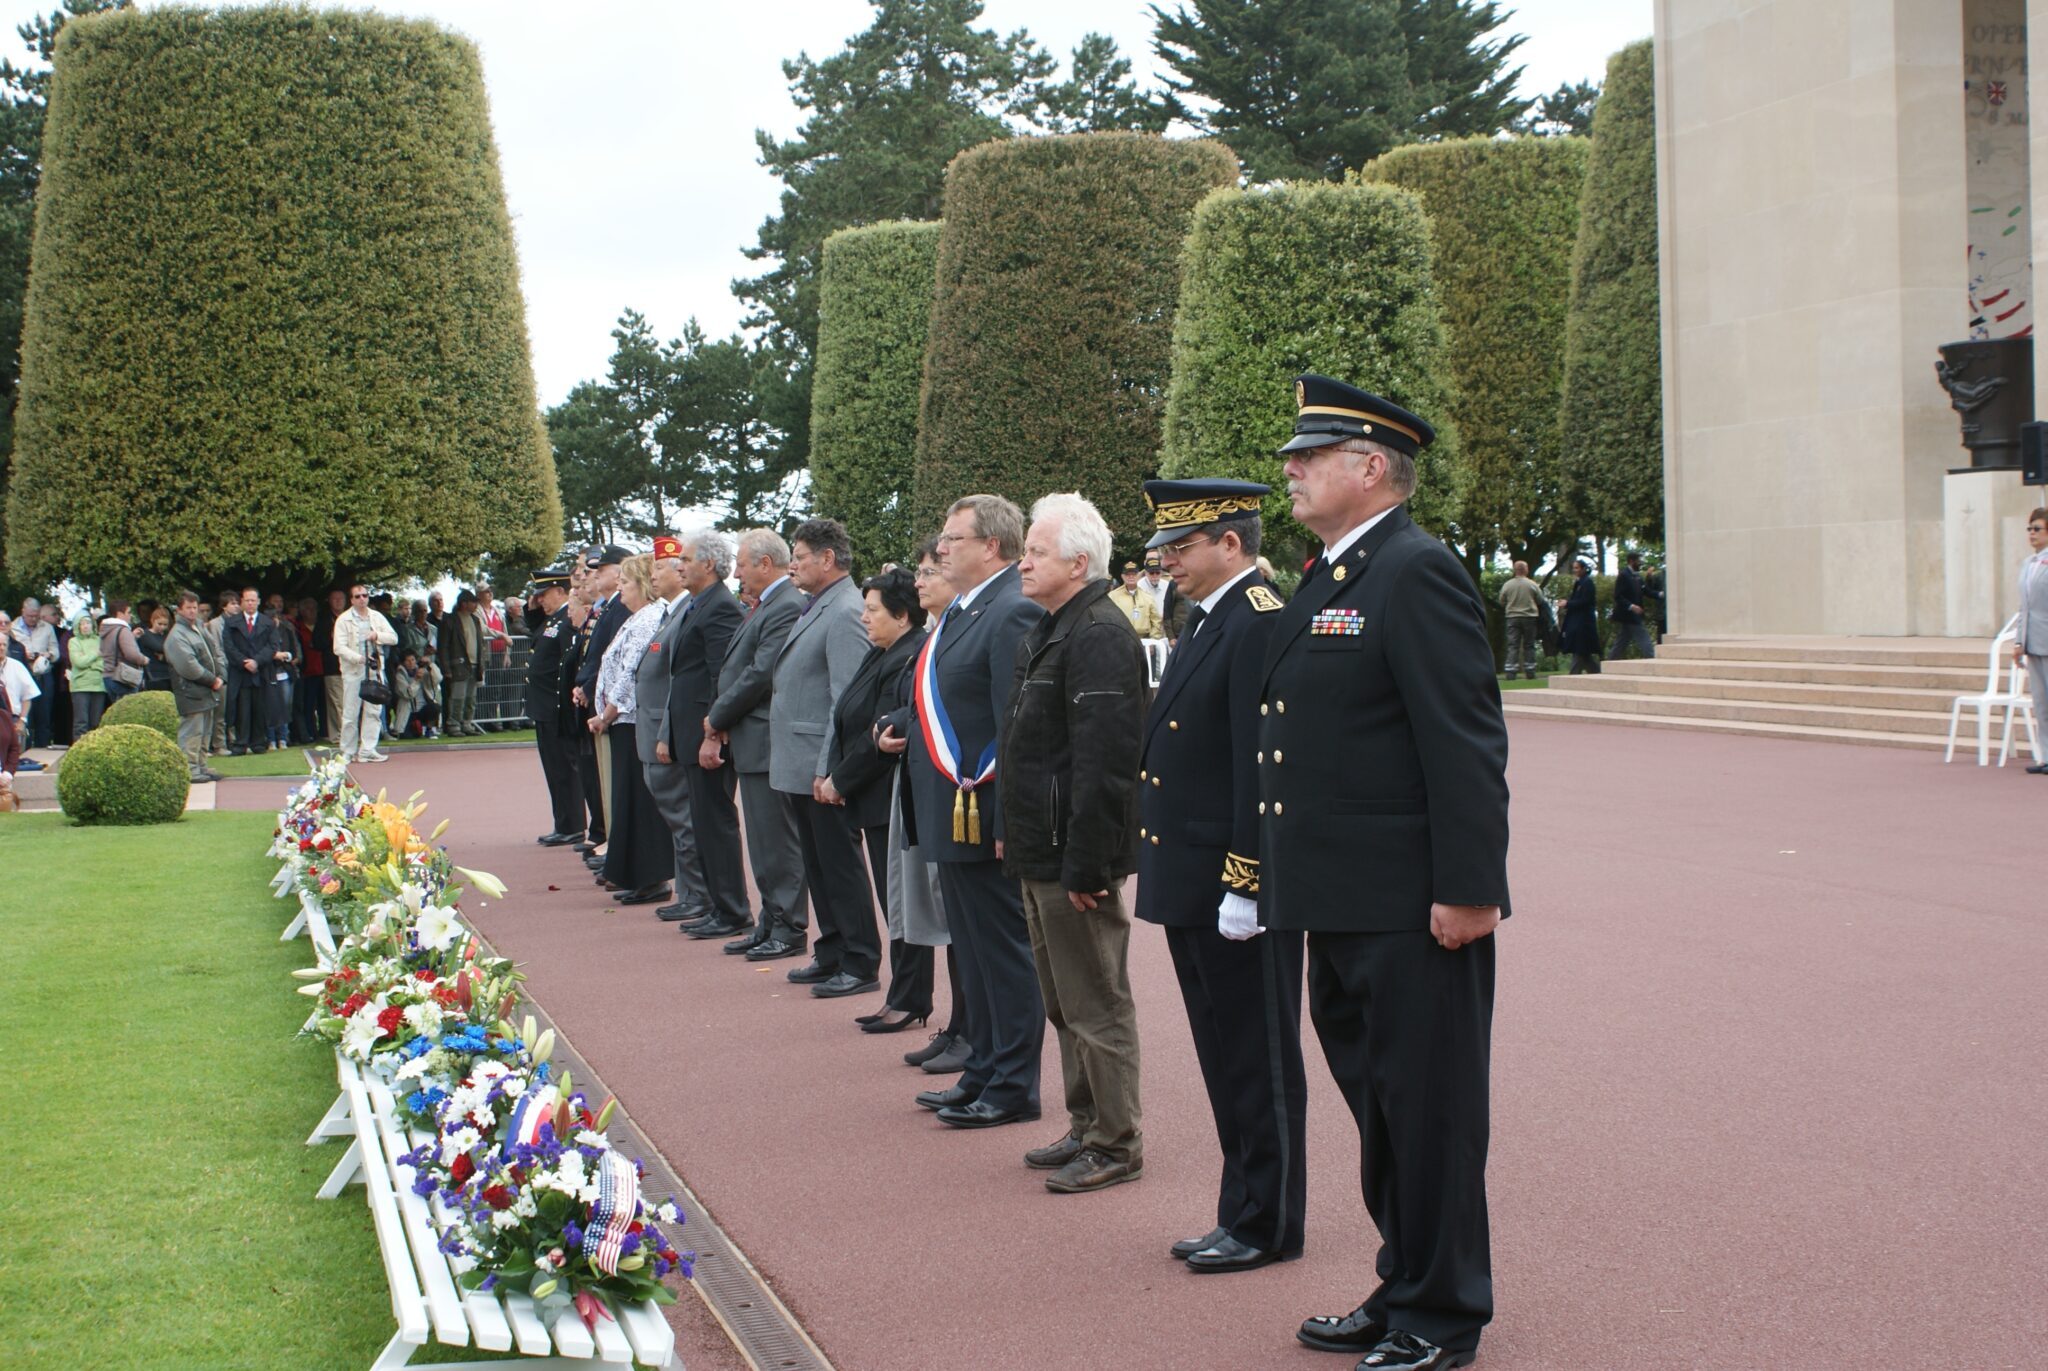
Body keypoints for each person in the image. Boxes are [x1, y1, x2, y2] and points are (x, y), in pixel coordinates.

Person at [1263, 374, 1510, 1371]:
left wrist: (1468, 889)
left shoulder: (1414, 571)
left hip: (1414, 908)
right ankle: (1401, 1279)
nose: (1287, 468)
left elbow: (1463, 744)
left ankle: (1443, 1315)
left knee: (1428, 1111)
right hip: (1340, 901)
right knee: (1380, 1110)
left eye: (1308, 456)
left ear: (1370, 468)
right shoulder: (1329, 574)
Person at [1135, 475, 1307, 1272]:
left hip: (1231, 882)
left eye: (1181, 545)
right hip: (1192, 876)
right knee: (1221, 1051)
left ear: (1232, 543)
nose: (1167, 559)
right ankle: (1239, 1206)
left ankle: (1267, 1219)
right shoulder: (1210, 618)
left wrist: (1249, 879)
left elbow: (1262, 770)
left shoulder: (1260, 622)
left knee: (1256, 1056)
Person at [1000, 492, 1148, 1192]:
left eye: (1035, 550)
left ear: (1078, 561)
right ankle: (1087, 1122)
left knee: (1096, 1000)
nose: (1023, 561)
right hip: (1042, 847)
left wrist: (1088, 859)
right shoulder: (1055, 627)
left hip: (1073, 856)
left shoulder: (1098, 634)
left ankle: (1117, 1142)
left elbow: (1105, 761)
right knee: (1063, 999)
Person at [884, 493, 1046, 1129]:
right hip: (949, 808)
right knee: (973, 953)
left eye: (954, 538)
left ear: (993, 548)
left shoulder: (1009, 611)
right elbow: (948, 698)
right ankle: (982, 1067)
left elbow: (1018, 723)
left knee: (1002, 952)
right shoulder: (965, 611)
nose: (941, 548)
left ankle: (1013, 1084)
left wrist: (1009, 819)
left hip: (980, 810)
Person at [769, 517, 880, 998]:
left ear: (827, 559)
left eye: (799, 556)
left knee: (839, 864)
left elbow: (847, 699)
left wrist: (827, 769)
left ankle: (859, 960)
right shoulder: (821, 605)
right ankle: (832, 949)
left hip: (822, 764)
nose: (792, 565)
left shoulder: (844, 611)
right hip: (802, 761)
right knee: (818, 864)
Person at [822, 565, 928, 1029]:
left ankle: (908, 1000)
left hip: (890, 796)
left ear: (902, 615)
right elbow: (847, 714)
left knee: (902, 907)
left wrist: (839, 781)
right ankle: (902, 996)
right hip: (873, 796)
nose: (864, 618)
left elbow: (881, 730)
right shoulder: (882, 652)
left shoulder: (908, 655)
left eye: (872, 610)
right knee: (895, 906)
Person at [704, 529, 808, 958]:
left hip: (766, 738)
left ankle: (789, 927)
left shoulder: (784, 605)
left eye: (743, 565)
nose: (737, 574)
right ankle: (771, 921)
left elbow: (761, 673)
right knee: (763, 844)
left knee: (777, 843)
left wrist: (717, 716)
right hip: (753, 740)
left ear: (766, 564)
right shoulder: (767, 605)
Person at [889, 540, 970, 1072]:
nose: (919, 582)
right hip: (929, 787)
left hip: (961, 793)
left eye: (929, 572)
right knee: (953, 919)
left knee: (968, 927)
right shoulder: (938, 632)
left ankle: (971, 1032)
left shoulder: (959, 628)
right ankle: (961, 1025)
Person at [663, 530, 749, 937]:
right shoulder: (700, 605)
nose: (679, 564)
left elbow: (722, 674)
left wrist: (713, 732)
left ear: (709, 565)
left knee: (715, 823)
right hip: (691, 732)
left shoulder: (720, 608)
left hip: (706, 735)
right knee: (703, 822)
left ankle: (732, 911)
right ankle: (719, 906)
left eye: (685, 558)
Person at [592, 553, 673, 905]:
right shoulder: (638, 618)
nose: (620, 589)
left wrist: (608, 713)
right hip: (624, 721)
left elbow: (629, 673)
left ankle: (649, 876)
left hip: (629, 719)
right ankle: (635, 873)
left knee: (637, 799)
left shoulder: (646, 621)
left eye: (625, 582)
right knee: (627, 798)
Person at [523, 566, 585, 844]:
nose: (539, 601)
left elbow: (568, 662)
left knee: (562, 769)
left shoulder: (566, 621)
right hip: (544, 705)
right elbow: (534, 629)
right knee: (554, 768)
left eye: (544, 595)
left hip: (554, 706)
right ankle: (564, 822)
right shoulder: (551, 621)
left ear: (561, 592)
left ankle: (570, 825)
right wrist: (532, 606)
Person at [574, 546, 631, 841]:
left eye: (602, 569)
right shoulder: (609, 606)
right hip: (599, 700)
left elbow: (615, 660)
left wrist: (587, 686)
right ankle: (606, 837)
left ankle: (609, 839)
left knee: (610, 780)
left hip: (612, 706)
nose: (594, 575)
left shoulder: (621, 607)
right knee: (601, 778)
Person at [163, 590, 225, 783]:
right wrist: (212, 679)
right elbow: (188, 666)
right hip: (190, 691)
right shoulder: (177, 635)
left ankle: (201, 766)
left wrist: (221, 674)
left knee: (205, 732)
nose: (192, 611)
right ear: (179, 610)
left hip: (206, 690)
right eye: (188, 607)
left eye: (194, 607)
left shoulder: (198, 627)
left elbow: (215, 650)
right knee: (192, 732)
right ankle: (189, 770)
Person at [333, 585, 398, 763]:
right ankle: (347, 750)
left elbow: (393, 637)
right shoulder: (343, 619)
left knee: (374, 710)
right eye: (357, 596)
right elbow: (339, 647)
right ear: (352, 600)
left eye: (364, 595)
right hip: (353, 670)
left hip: (374, 669)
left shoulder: (377, 617)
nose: (362, 599)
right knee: (350, 711)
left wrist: (377, 635)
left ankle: (368, 749)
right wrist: (359, 658)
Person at [2014, 508, 2048, 774]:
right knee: (2041, 702)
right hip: (2033, 642)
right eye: (2029, 529)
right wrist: (2018, 641)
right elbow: (2024, 607)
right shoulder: (2028, 563)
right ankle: (2046, 757)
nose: (2032, 533)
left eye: (2037, 528)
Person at [12, 599, 58, 748]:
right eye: (30, 616)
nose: (33, 619)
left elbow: (56, 652)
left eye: (36, 616)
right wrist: (24, 654)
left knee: (44, 716)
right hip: (23, 675)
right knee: (25, 716)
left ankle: (43, 750)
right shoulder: (13, 628)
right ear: (23, 612)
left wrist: (48, 655)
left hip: (43, 675)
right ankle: (24, 751)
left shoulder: (47, 628)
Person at [440, 589, 484, 736]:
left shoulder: (475, 620)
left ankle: (467, 724)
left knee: (471, 698)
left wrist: (481, 665)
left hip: (474, 664)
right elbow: (444, 646)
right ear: (464, 603)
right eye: (473, 602)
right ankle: (453, 725)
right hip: (458, 664)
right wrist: (446, 667)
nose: (475, 605)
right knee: (458, 697)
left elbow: (480, 644)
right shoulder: (450, 620)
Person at [1498, 560, 1544, 680]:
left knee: (1513, 645)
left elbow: (1502, 600)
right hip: (1529, 616)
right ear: (1526, 569)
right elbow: (1540, 600)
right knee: (1529, 645)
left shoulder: (1508, 585)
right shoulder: (1532, 584)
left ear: (1515, 570)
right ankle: (1530, 671)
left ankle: (1510, 671)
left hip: (1512, 617)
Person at [263, 600, 299, 750]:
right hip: (268, 673)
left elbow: (296, 652)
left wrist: (286, 656)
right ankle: (271, 739)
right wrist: (273, 655)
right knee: (269, 707)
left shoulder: (287, 630)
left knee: (285, 706)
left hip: (285, 672)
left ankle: (283, 738)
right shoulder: (261, 633)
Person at [1608, 550, 1656, 661]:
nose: (1640, 563)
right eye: (1638, 561)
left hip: (1634, 615)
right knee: (1643, 637)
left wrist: (1660, 594)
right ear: (1631, 561)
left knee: (1622, 640)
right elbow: (1618, 596)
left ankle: (1610, 661)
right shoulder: (1624, 575)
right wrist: (1631, 606)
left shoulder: (1637, 576)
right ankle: (1653, 658)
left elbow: (1646, 591)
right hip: (1628, 614)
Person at [98, 599, 146, 705]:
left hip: (107, 677)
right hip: (123, 678)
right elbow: (131, 654)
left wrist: (132, 637)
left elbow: (109, 648)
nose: (130, 616)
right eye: (128, 612)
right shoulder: (123, 630)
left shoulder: (106, 630)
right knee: (128, 713)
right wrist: (144, 659)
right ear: (120, 614)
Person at [66, 610, 106, 737]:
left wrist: (89, 660)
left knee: (96, 723)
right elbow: (78, 662)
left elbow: (105, 663)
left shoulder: (100, 640)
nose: (85, 626)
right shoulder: (73, 641)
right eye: (81, 623)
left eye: (88, 623)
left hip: (98, 685)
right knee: (81, 722)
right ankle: (78, 751)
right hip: (80, 686)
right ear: (77, 626)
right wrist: (96, 655)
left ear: (92, 624)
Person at [1559, 558, 1601, 675]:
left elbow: (1585, 601)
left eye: (1577, 568)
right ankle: (1596, 673)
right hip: (1579, 621)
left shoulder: (1587, 583)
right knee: (1584, 654)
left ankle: (1573, 676)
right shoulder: (1580, 583)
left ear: (1583, 569)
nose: (1574, 570)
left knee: (1580, 650)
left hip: (1583, 622)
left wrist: (1568, 604)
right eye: (1574, 568)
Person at [1107, 560, 1165, 638]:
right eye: (1128, 574)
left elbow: (1156, 622)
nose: (1131, 577)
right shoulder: (1113, 596)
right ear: (1122, 576)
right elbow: (1108, 619)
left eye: (1134, 574)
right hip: (1122, 638)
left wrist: (1153, 640)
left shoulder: (1147, 597)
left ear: (1138, 575)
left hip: (1145, 639)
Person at [319, 588, 348, 744]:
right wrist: (330, 637)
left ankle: (343, 734)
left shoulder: (350, 618)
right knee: (336, 704)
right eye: (334, 599)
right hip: (332, 667)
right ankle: (339, 735)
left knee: (348, 702)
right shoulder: (324, 620)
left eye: (341, 599)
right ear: (329, 601)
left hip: (350, 667)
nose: (338, 602)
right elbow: (317, 643)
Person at [138, 606, 174, 692]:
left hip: (168, 675)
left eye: (165, 625)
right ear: (152, 620)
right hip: (153, 676)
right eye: (159, 624)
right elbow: (160, 648)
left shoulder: (165, 635)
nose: (162, 627)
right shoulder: (146, 635)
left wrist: (164, 656)